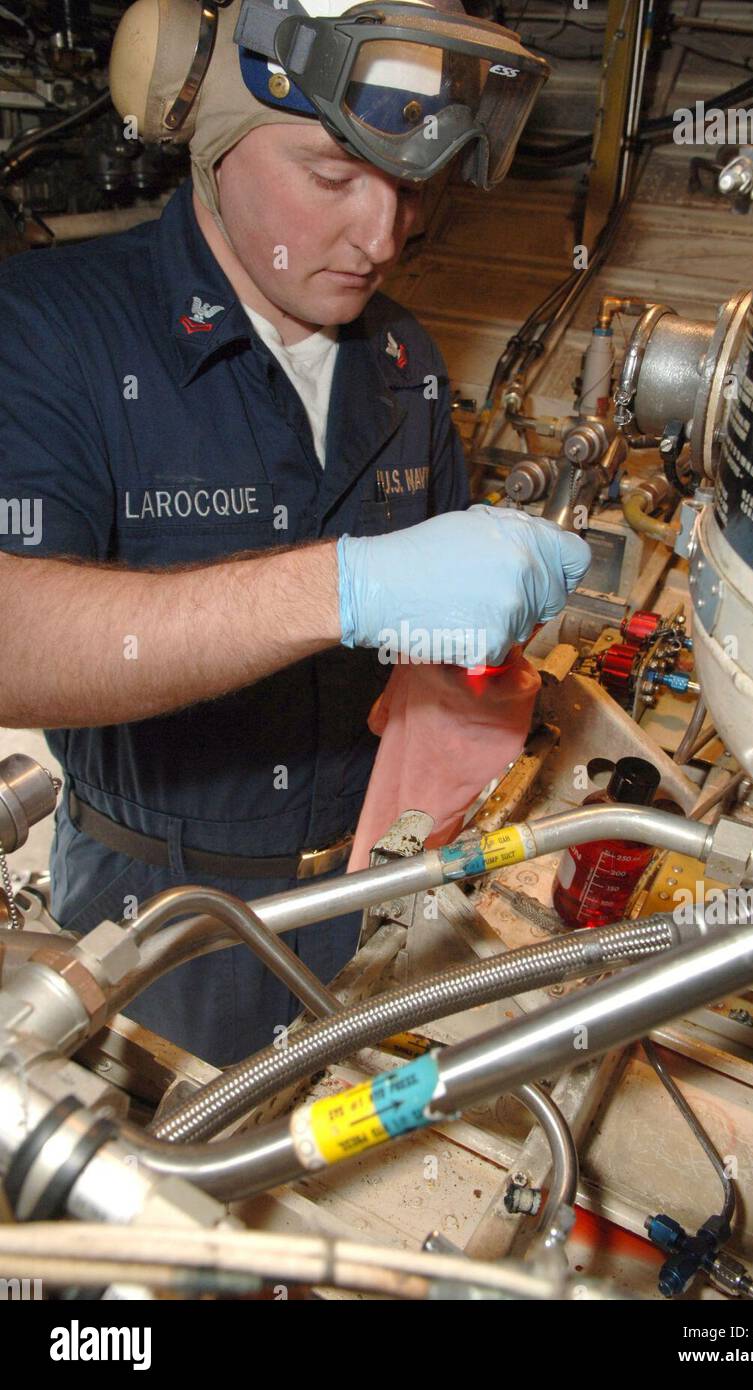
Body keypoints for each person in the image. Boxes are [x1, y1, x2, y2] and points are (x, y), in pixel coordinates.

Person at [0, 0, 591, 1066]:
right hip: (163, 922)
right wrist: (342, 587)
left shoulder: (402, 359)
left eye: (412, 186)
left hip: (370, 887)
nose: (383, 234)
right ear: (212, 133)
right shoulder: (49, 322)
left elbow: (422, 648)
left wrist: (469, 684)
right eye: (330, 176)